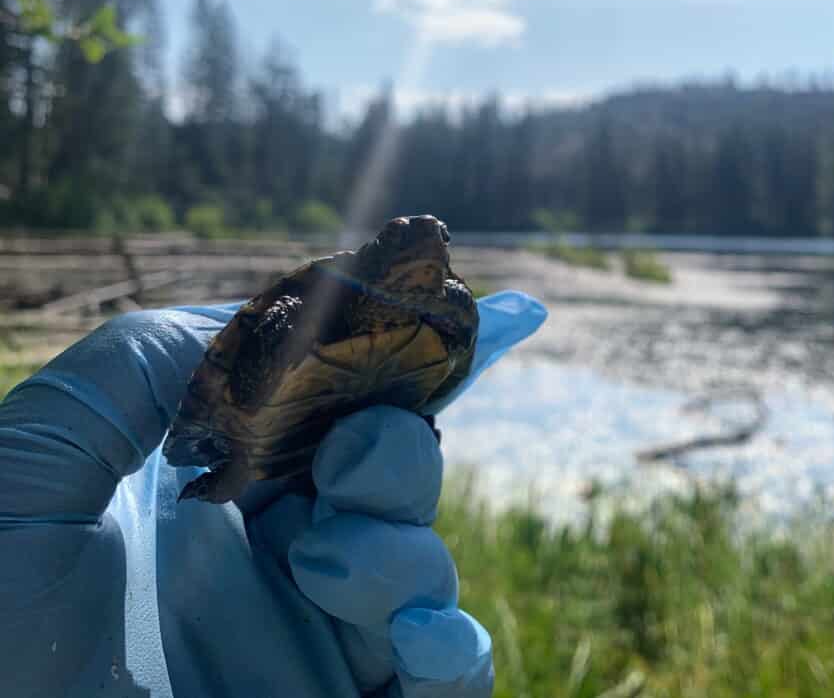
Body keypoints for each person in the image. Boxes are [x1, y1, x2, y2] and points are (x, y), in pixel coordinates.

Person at [0, 290, 547, 698]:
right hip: (253, 441)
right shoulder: (350, 295)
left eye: (437, 245)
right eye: (408, 240)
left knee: (388, 458)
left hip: (346, 445)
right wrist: (268, 332)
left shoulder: (434, 302)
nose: (426, 248)